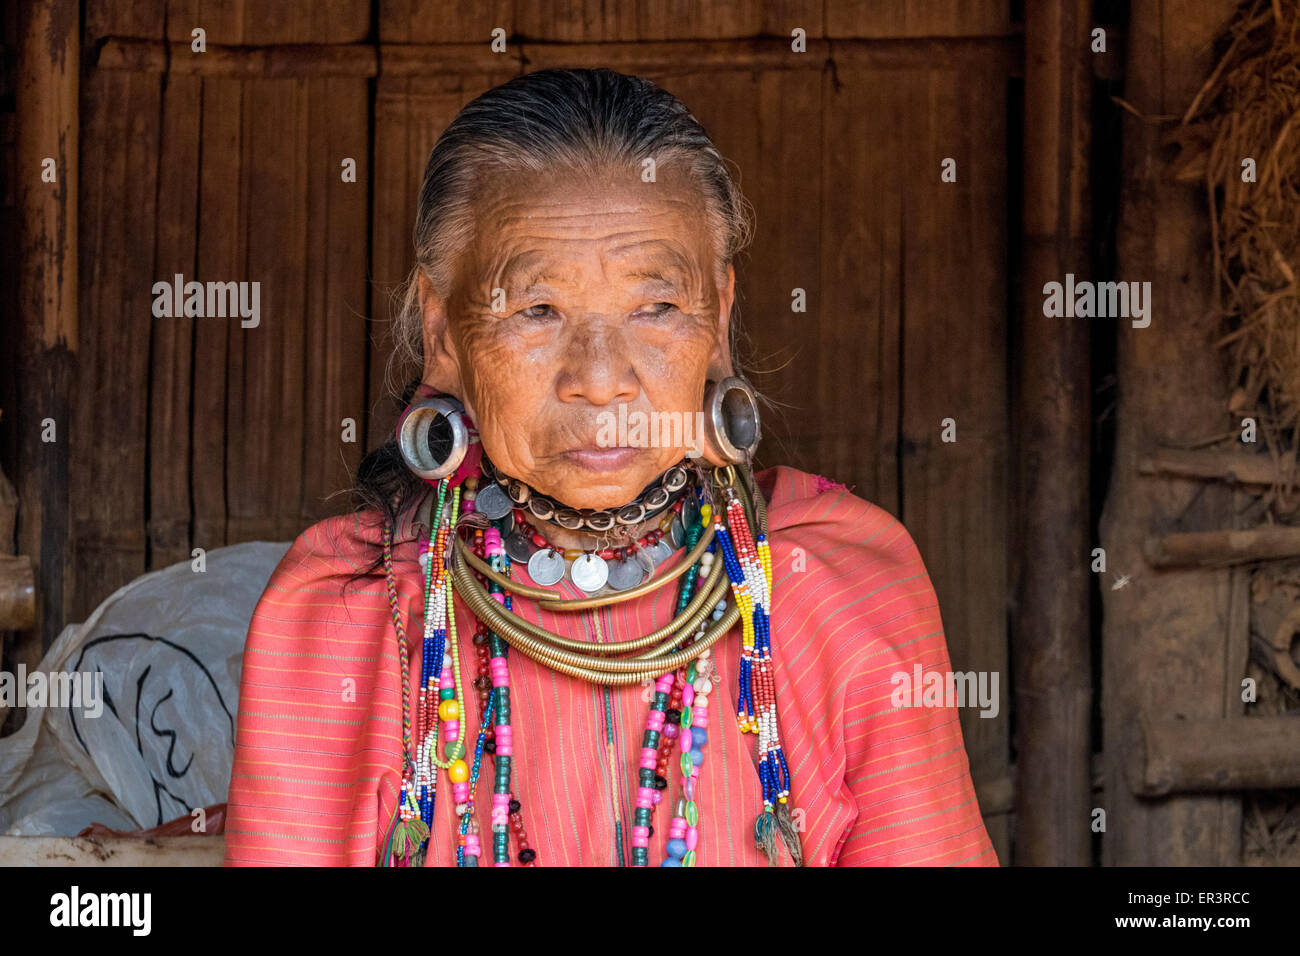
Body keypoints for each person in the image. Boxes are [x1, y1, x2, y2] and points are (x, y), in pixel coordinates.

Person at [223, 67, 996, 867]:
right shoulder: (343, 618)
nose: (599, 377)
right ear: (444, 331)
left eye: (655, 307)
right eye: (537, 309)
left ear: (719, 318)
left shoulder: (840, 586)